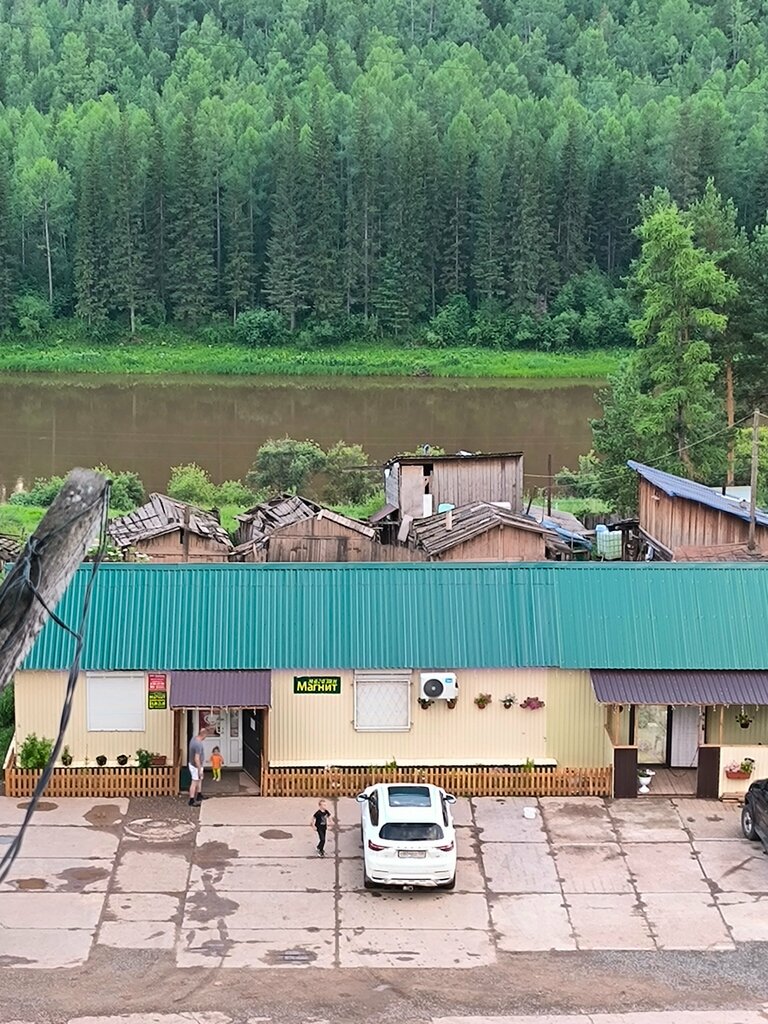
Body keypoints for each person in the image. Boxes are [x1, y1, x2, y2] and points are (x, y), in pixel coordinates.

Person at [188, 727, 208, 807]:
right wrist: (199, 769)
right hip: (195, 766)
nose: (205, 738)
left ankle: (199, 795)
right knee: (194, 782)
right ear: (204, 735)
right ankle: (191, 800)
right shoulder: (198, 744)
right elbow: (196, 758)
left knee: (199, 780)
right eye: (206, 736)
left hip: (194, 764)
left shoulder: (194, 739)